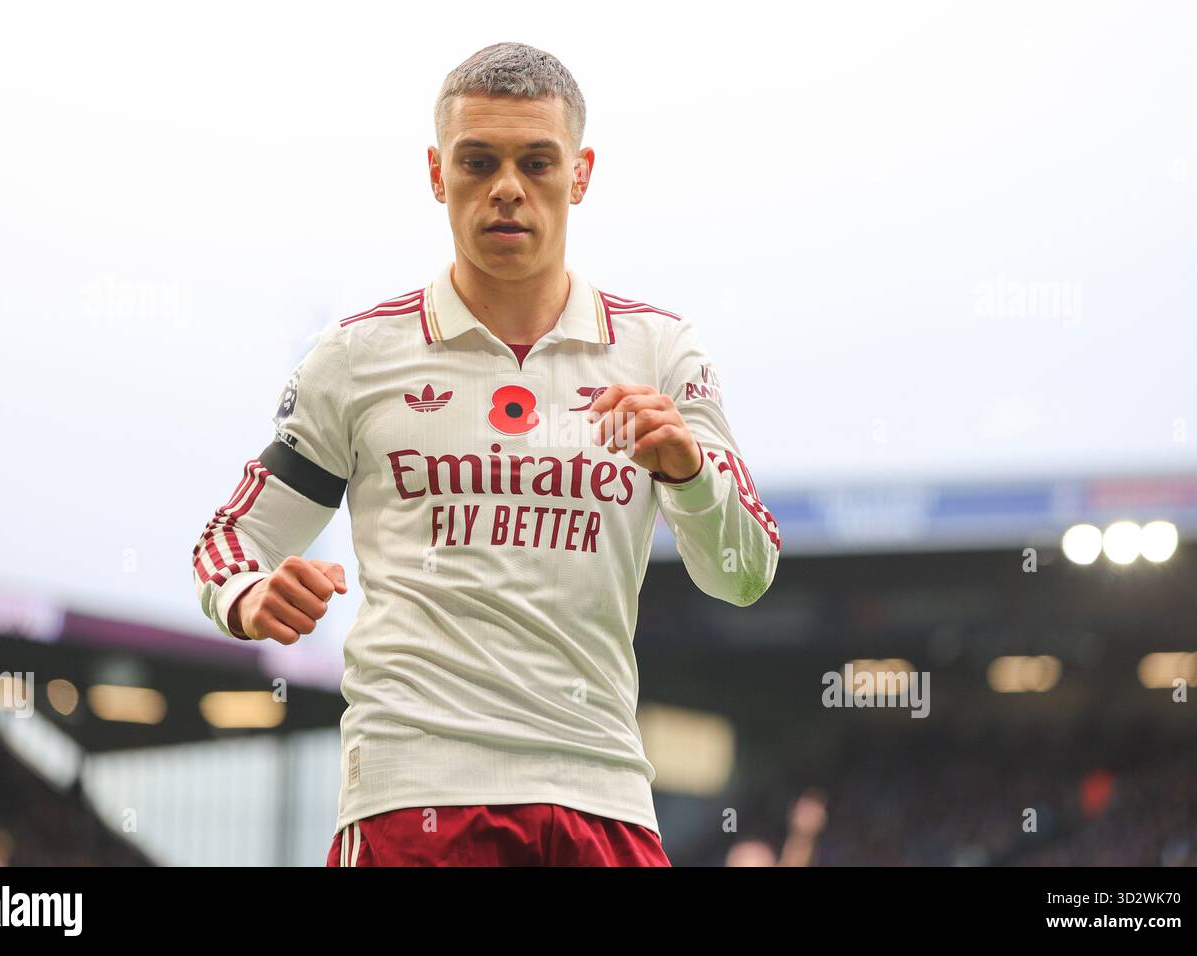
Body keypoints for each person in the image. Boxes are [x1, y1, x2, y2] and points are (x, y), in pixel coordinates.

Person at [190, 41, 781, 867]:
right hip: (413, 797)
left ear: (580, 174)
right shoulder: (359, 355)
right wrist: (252, 594)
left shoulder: (659, 351)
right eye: (479, 161)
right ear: (438, 173)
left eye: (537, 161)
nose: (508, 186)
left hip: (601, 794)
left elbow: (745, 574)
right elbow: (229, 540)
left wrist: (688, 474)